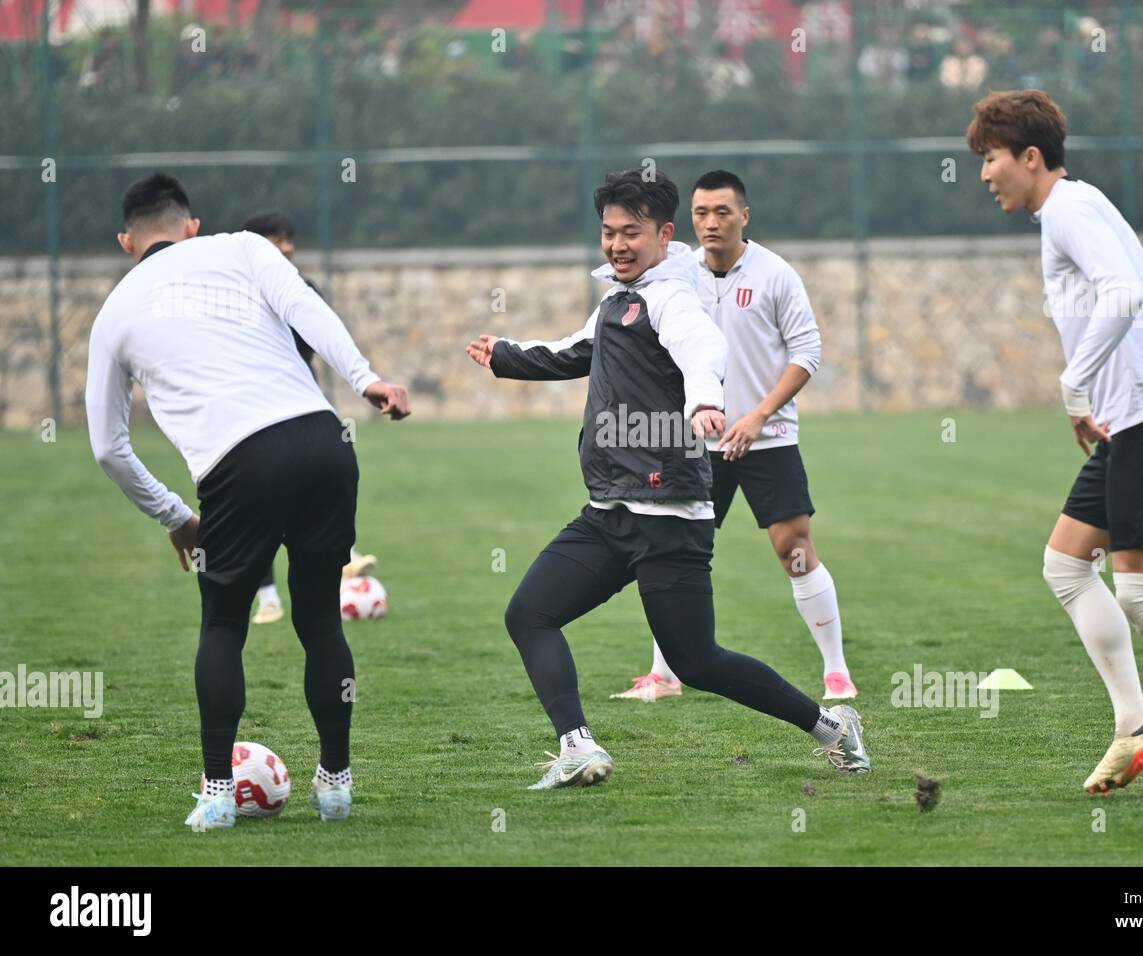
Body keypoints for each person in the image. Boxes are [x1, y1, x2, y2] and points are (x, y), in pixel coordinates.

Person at [466, 169, 869, 790]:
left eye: (632, 232)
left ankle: (831, 727)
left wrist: (705, 402)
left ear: (663, 234)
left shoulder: (672, 298)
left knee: (698, 661)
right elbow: (576, 351)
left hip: (668, 518)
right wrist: (506, 355)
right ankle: (578, 747)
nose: (617, 244)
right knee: (529, 614)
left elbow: (703, 349)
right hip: (608, 514)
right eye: (608, 232)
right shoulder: (618, 302)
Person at [86, 173, 410, 829]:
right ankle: (336, 785)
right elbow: (310, 312)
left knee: (224, 627)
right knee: (319, 619)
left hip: (239, 465)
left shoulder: (114, 311)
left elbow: (108, 447)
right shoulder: (243, 247)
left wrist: (175, 514)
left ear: (127, 242)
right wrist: (366, 378)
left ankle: (215, 794)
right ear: (191, 225)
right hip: (324, 441)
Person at [967, 90, 1143, 803]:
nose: (984, 173)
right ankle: (1135, 723)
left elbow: (1122, 295)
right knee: (1065, 566)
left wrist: (1074, 385)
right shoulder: (1068, 209)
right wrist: (1091, 397)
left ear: (1031, 157)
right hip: (1132, 425)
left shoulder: (1067, 209)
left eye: (991, 158)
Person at [612, 170, 856, 703]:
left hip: (767, 439)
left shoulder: (776, 274)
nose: (711, 222)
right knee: (670, 550)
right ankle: (664, 674)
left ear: (743, 216)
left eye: (722, 212)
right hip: (699, 441)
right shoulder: (677, 275)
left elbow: (807, 354)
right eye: (701, 213)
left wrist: (758, 416)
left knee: (792, 548)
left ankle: (836, 670)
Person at [239, 209, 378, 625]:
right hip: (252, 417)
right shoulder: (236, 296)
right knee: (257, 510)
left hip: (302, 408)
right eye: (276, 240)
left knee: (323, 486)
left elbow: (317, 340)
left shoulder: (303, 289)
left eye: (289, 239)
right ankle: (267, 597)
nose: (288, 247)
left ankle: (345, 559)